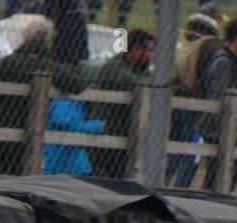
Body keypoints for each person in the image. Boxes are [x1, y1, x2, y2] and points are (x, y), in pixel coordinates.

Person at [0, 21, 86, 175]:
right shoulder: (48, 65)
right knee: (24, 173)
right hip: (33, 128)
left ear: (25, 37)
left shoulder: (9, 62)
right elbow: (77, 86)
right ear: (49, 40)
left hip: (1, 126)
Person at [198, 16, 237, 189]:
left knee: (221, 171)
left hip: (223, 127)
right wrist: (227, 125)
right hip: (218, 128)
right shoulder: (223, 61)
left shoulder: (233, 60)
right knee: (216, 172)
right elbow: (217, 97)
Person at [90, 28, 155, 178]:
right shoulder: (114, 66)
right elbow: (132, 82)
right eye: (149, 50)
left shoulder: (143, 71)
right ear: (136, 49)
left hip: (129, 137)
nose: (152, 55)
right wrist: (154, 85)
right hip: (106, 134)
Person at [168, 32, 219, 187]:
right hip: (191, 108)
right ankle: (180, 186)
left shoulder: (191, 49)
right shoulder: (204, 52)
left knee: (183, 150)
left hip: (184, 103)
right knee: (189, 151)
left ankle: (170, 181)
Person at [44, 94, 103, 175]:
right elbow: (65, 123)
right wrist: (96, 125)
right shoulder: (64, 103)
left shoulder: (77, 103)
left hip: (72, 162)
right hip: (60, 161)